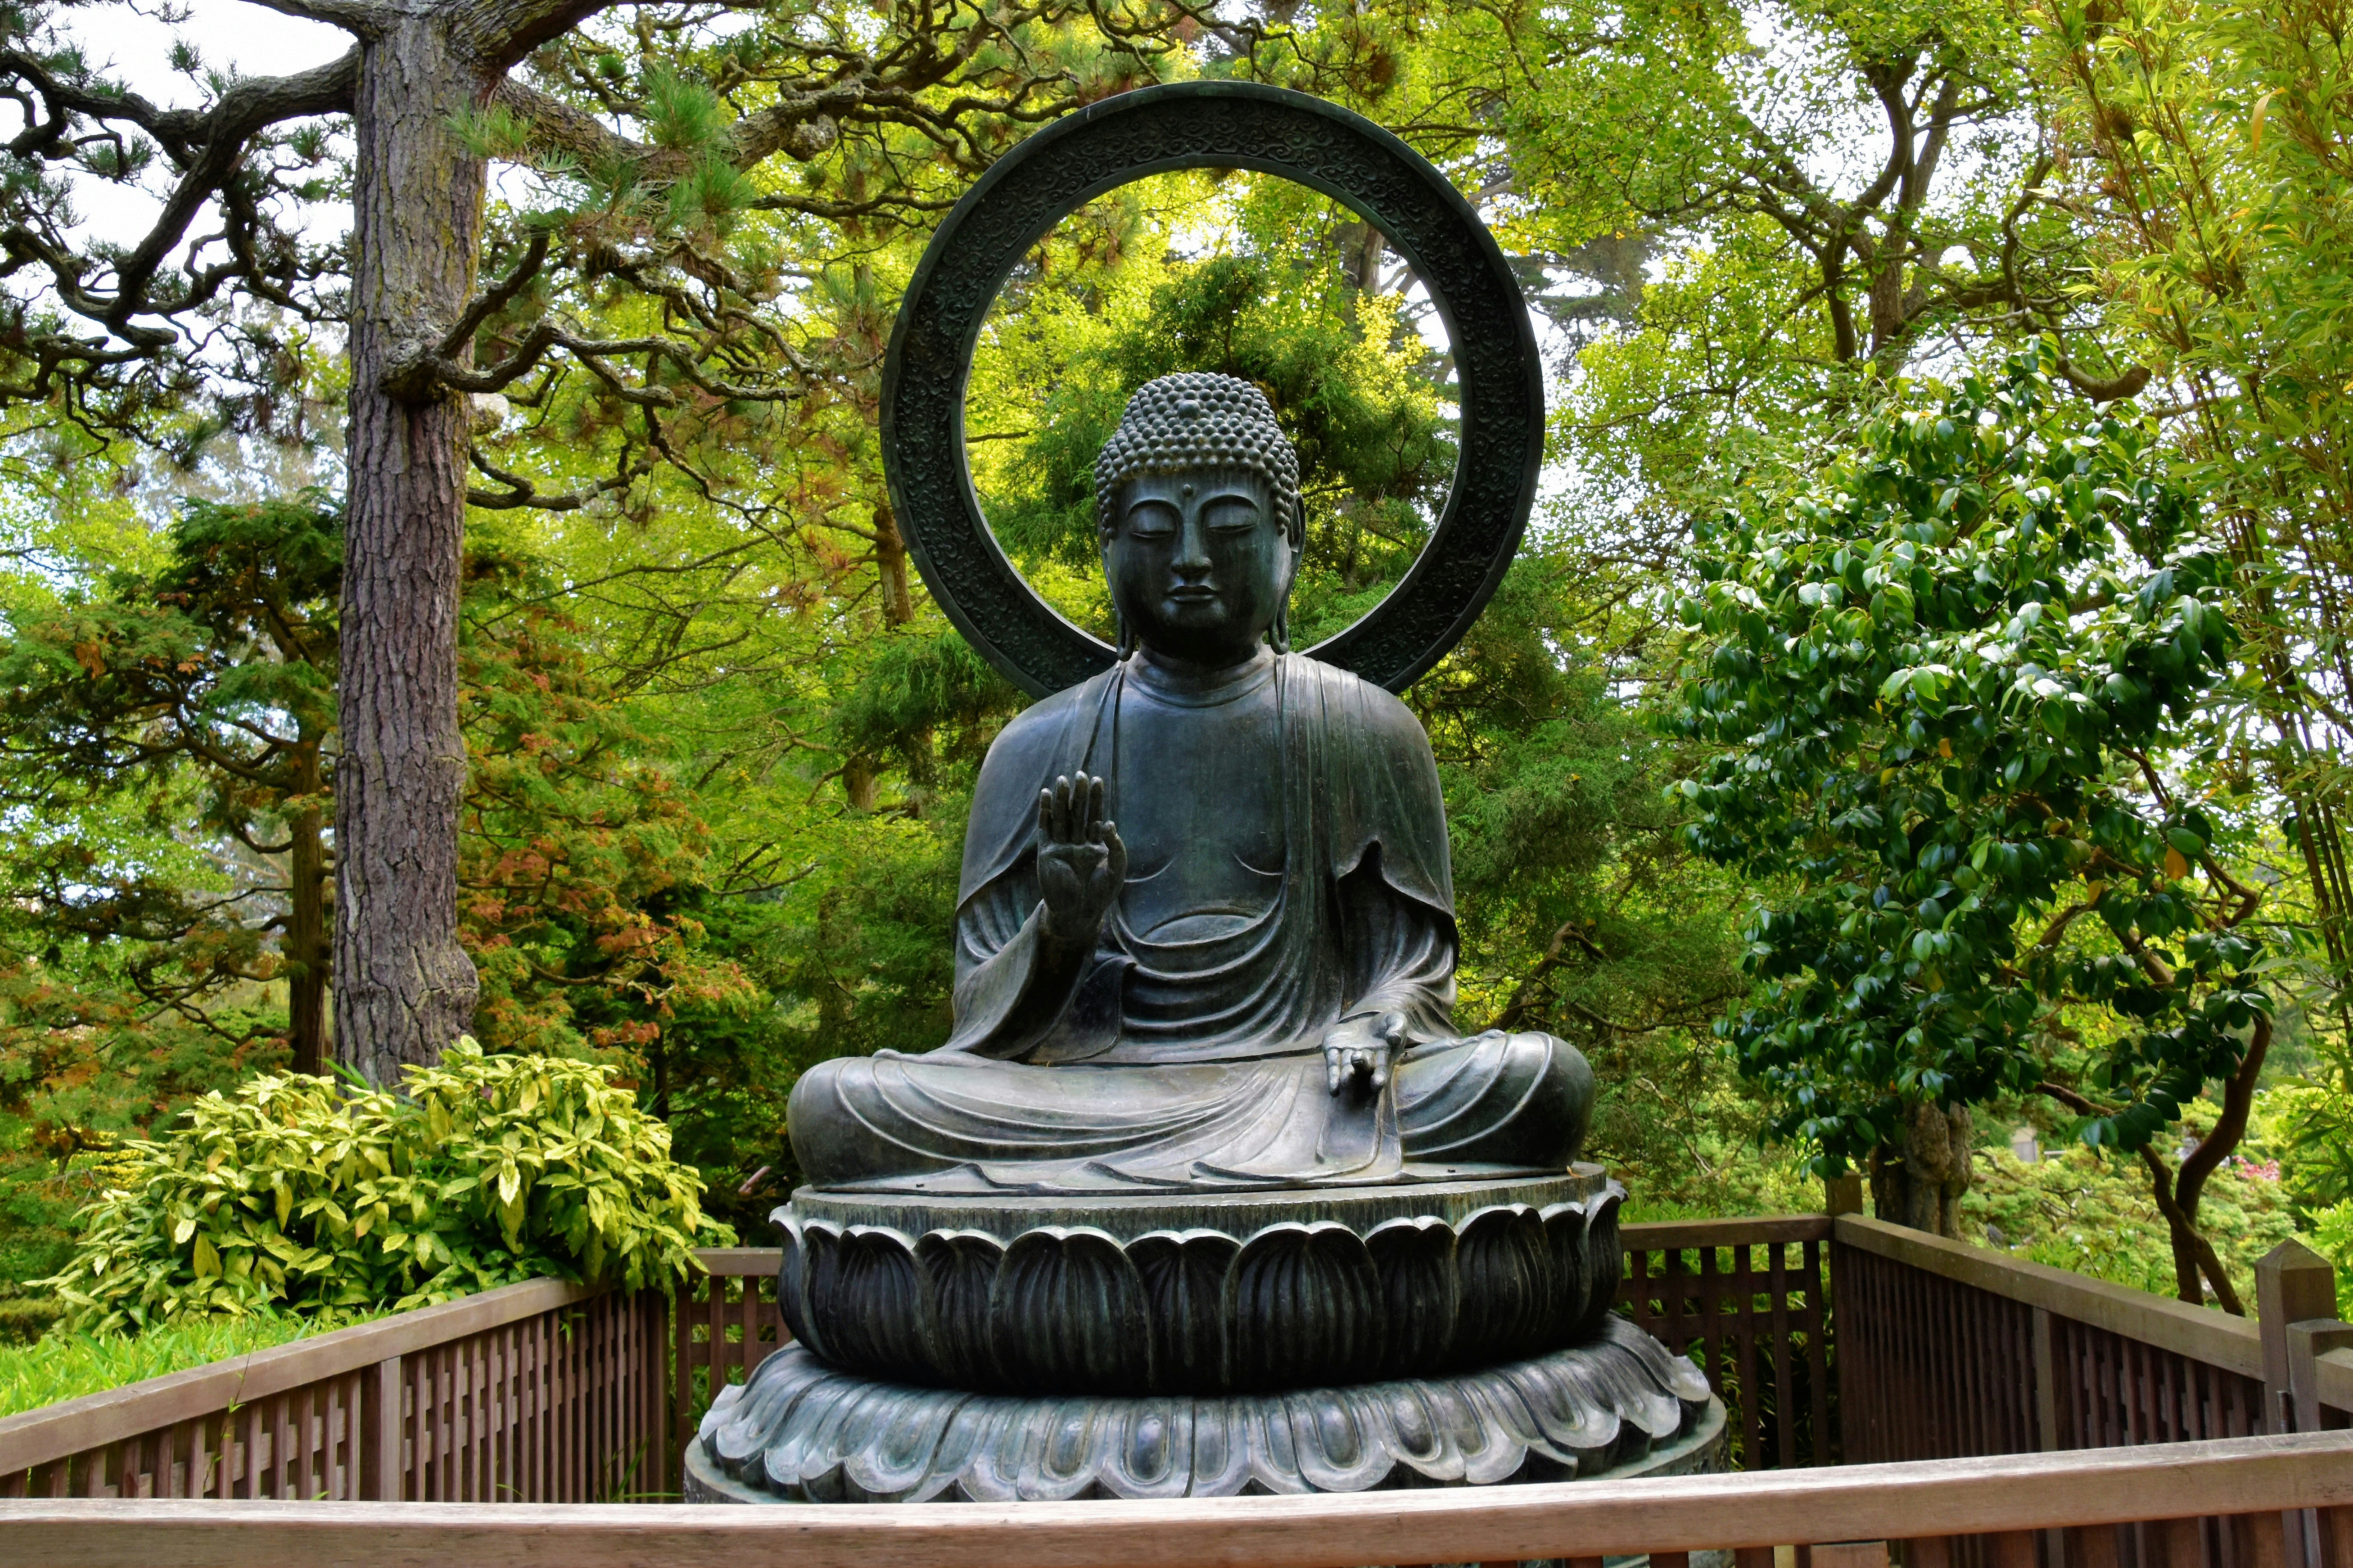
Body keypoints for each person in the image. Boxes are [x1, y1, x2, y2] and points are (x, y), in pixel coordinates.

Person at [788, 372, 1591, 1193]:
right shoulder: (1038, 744)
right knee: (844, 1104)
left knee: (1535, 1079)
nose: (1190, 560)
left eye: (1230, 526)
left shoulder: (1363, 727)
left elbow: (1412, 971)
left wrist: (1371, 1022)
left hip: (1305, 1083)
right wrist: (1061, 929)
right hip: (1088, 1095)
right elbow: (977, 1017)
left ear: (1293, 538)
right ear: (1107, 548)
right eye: (1152, 531)